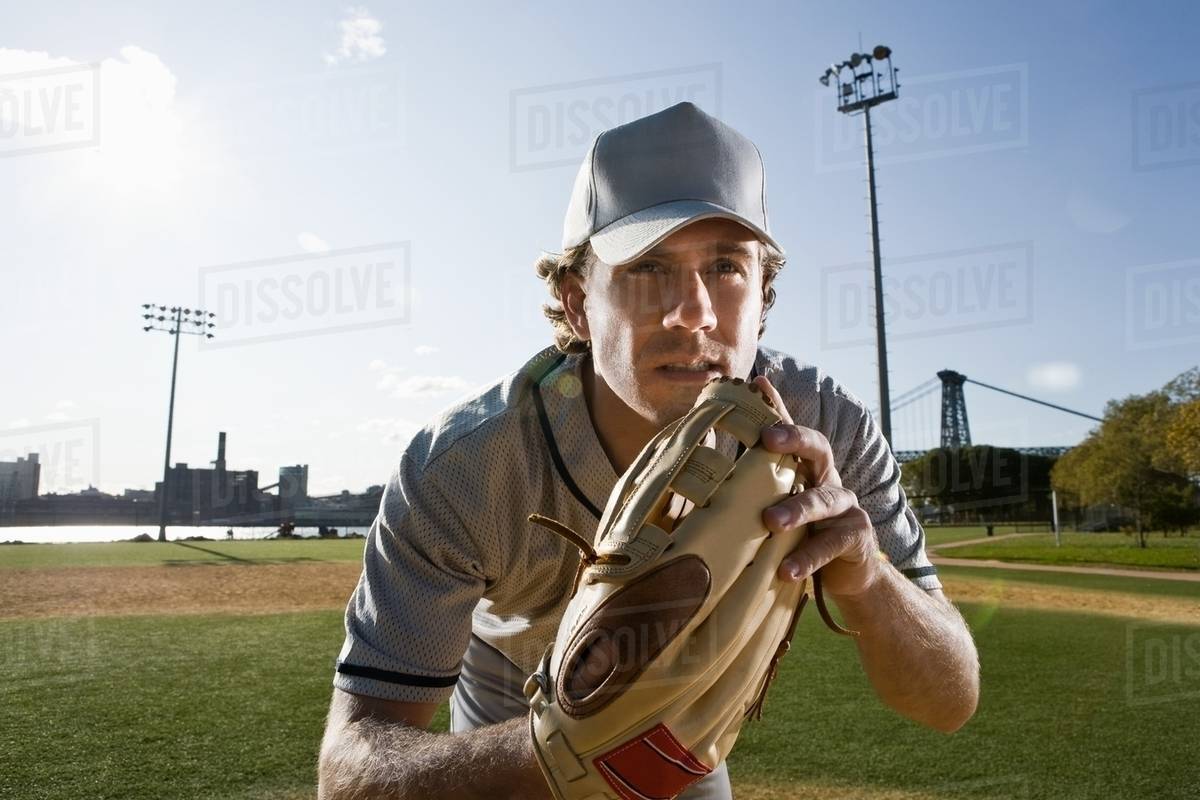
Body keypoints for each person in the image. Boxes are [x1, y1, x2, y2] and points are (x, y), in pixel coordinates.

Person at [317, 102, 979, 800]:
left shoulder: (824, 428)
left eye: (726, 266)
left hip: (678, 749)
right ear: (577, 303)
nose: (692, 312)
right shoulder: (468, 466)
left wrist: (867, 577)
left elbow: (948, 701)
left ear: (763, 297)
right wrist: (555, 755)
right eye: (647, 266)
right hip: (505, 755)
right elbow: (350, 769)